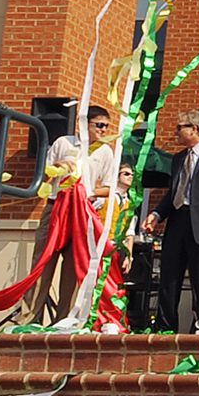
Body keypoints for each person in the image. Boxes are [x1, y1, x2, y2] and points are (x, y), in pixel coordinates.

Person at [18, 105, 120, 324]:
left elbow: (111, 186)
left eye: (106, 127)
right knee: (43, 262)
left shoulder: (105, 151)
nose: (103, 131)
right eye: (99, 125)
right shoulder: (64, 143)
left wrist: (90, 194)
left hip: (82, 211)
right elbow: (44, 172)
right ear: (84, 124)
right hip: (56, 207)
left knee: (73, 268)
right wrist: (58, 165)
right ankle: (29, 318)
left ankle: (63, 320)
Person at [143, 110, 199, 332]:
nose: (176, 132)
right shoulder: (179, 158)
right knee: (169, 276)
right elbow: (173, 192)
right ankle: (165, 326)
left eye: (180, 127)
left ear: (195, 128)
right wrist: (156, 214)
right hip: (177, 221)